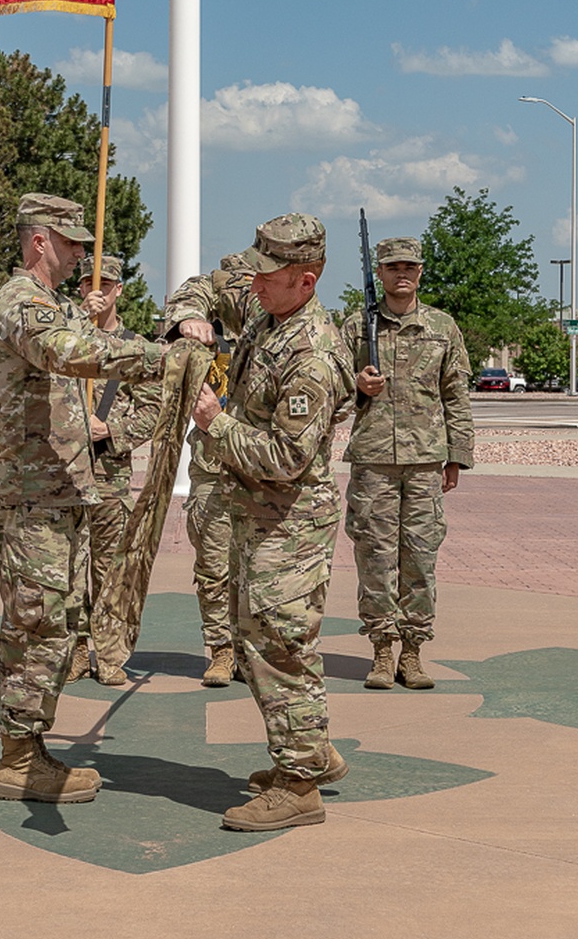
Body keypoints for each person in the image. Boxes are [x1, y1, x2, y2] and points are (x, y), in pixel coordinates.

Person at [0, 194, 164, 804]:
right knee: (39, 627)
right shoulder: (20, 303)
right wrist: (161, 358)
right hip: (32, 496)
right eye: (73, 244)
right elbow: (71, 353)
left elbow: (79, 344)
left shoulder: (52, 305)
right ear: (41, 241)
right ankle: (19, 759)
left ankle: (29, 746)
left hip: (59, 492)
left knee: (56, 625)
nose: (82, 255)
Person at [191, 214, 357, 832]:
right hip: (257, 516)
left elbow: (288, 459)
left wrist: (216, 422)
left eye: (268, 275)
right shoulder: (271, 315)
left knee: (281, 648)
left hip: (289, 522)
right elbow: (210, 286)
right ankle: (309, 753)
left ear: (306, 280)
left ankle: (298, 784)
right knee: (260, 638)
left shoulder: (312, 355)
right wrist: (190, 314)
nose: (253, 284)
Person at [341, 236, 474, 690]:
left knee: (419, 557)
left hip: (424, 462)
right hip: (373, 460)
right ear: (379, 272)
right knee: (375, 557)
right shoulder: (357, 327)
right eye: (393, 266)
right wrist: (358, 386)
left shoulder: (442, 327)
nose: (402, 274)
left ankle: (412, 652)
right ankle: (381, 650)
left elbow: (456, 395)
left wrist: (457, 456)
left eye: (410, 267)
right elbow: (329, 390)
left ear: (420, 272)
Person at [163, 254, 257, 687]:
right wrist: (188, 320)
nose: (239, 290)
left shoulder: (275, 324)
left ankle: (251, 649)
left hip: (259, 465)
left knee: (258, 568)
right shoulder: (210, 321)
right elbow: (186, 296)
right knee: (214, 566)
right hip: (212, 466)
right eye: (231, 284)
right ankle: (220, 650)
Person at [68, 254, 161, 682]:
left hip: (109, 473)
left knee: (108, 569)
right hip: (65, 473)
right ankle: (72, 649)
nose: (96, 291)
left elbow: (154, 409)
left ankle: (108, 654)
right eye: (88, 283)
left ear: (119, 290)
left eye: (105, 284)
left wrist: (112, 429)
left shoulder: (133, 347)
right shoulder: (64, 341)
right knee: (67, 567)